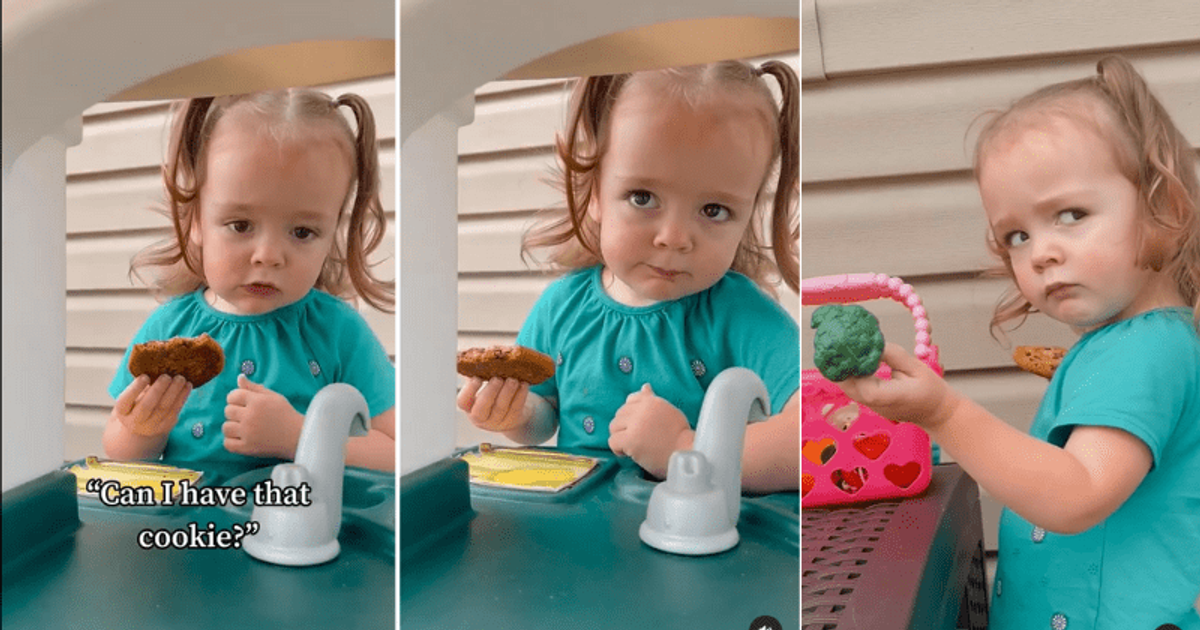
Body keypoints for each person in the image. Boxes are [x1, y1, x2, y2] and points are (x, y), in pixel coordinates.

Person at [836, 56, 1200, 629]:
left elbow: (1077, 492)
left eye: (1071, 214)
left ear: (1165, 209)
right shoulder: (1123, 343)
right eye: (1017, 235)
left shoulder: (1145, 349)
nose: (1041, 252)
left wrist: (946, 413)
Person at [457, 61, 800, 493]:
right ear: (594, 191)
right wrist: (515, 415)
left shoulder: (744, 318)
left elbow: (810, 440)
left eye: (714, 210)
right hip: (576, 534)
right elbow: (545, 413)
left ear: (749, 213)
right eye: (643, 197)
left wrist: (685, 448)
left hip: (694, 538)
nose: (674, 238)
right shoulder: (561, 305)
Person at [104, 89, 396, 473]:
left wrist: (299, 435)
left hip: (301, 528)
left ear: (333, 233)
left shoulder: (338, 333)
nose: (268, 255)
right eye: (240, 225)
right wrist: (141, 429)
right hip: (188, 529)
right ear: (195, 221)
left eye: (303, 231)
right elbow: (119, 452)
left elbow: (396, 452)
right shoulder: (168, 330)